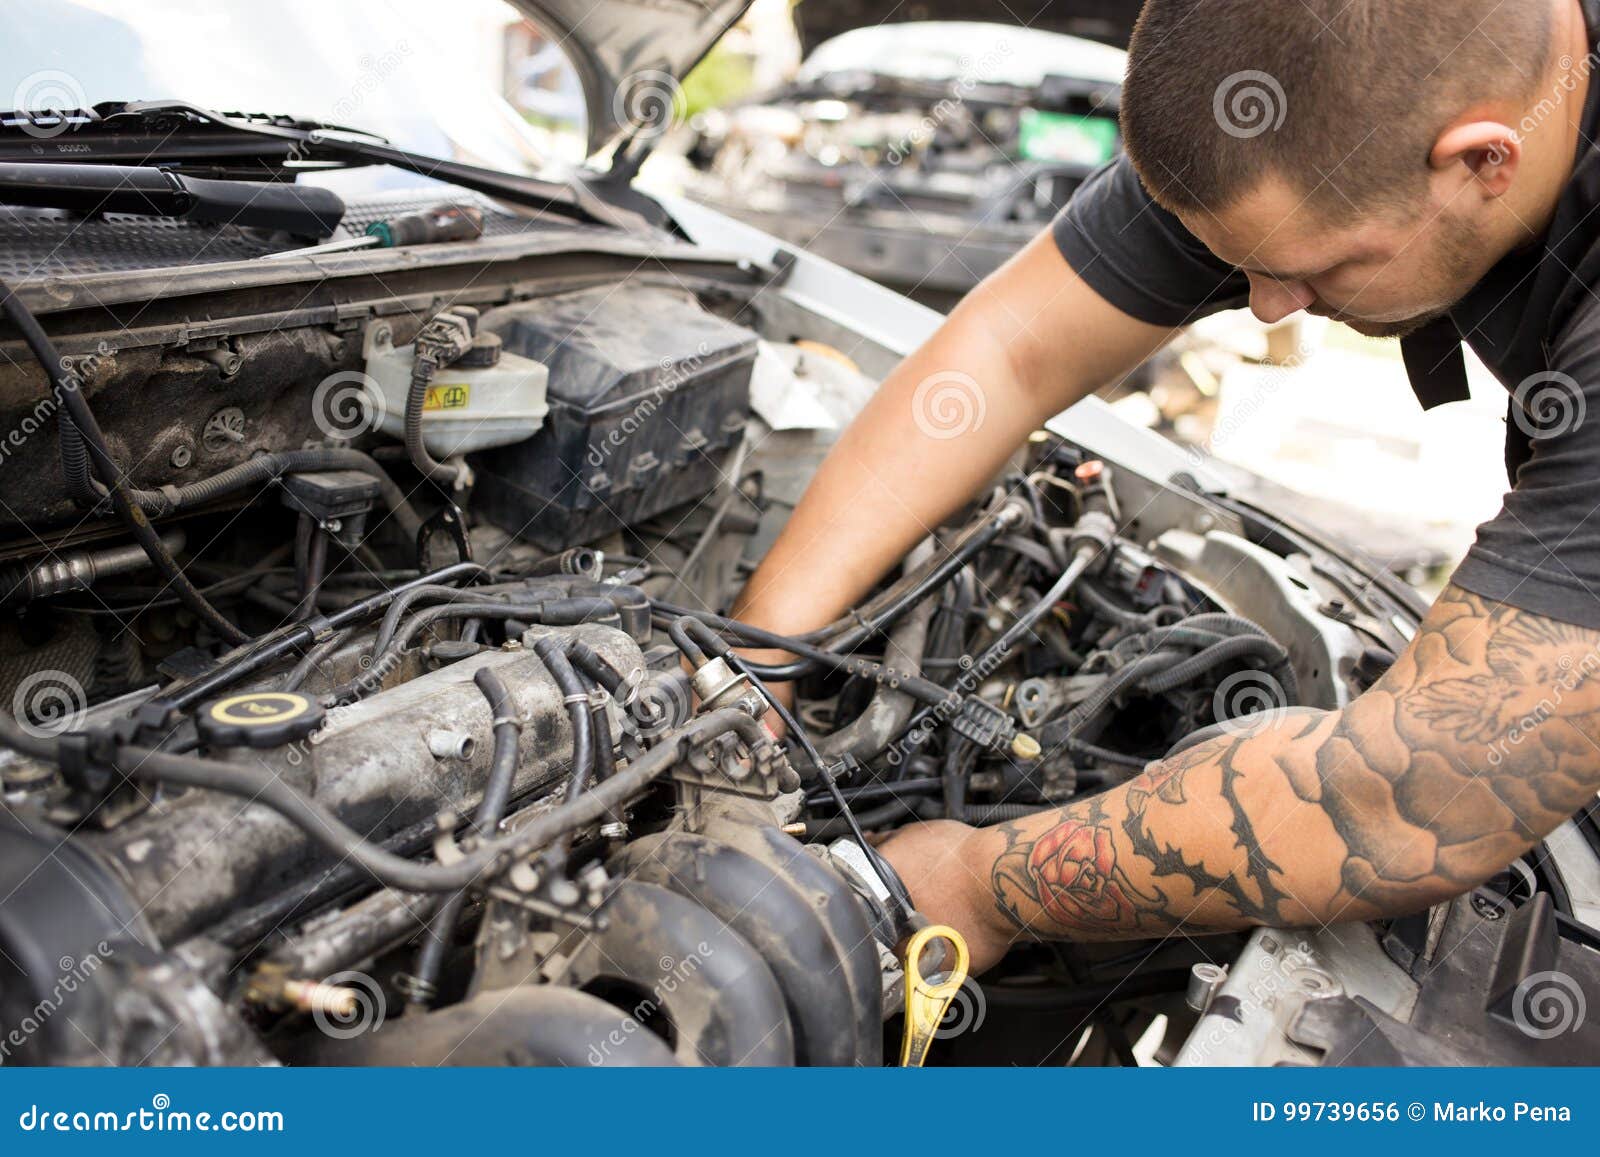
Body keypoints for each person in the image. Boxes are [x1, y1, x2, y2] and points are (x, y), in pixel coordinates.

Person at [731, 0, 1600, 972]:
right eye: (1244, 265)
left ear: (1485, 161)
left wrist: (980, 883)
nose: (1265, 304)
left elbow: (1409, 799)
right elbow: (1009, 349)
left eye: (1305, 271)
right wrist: (760, 652)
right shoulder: (1320, 121)